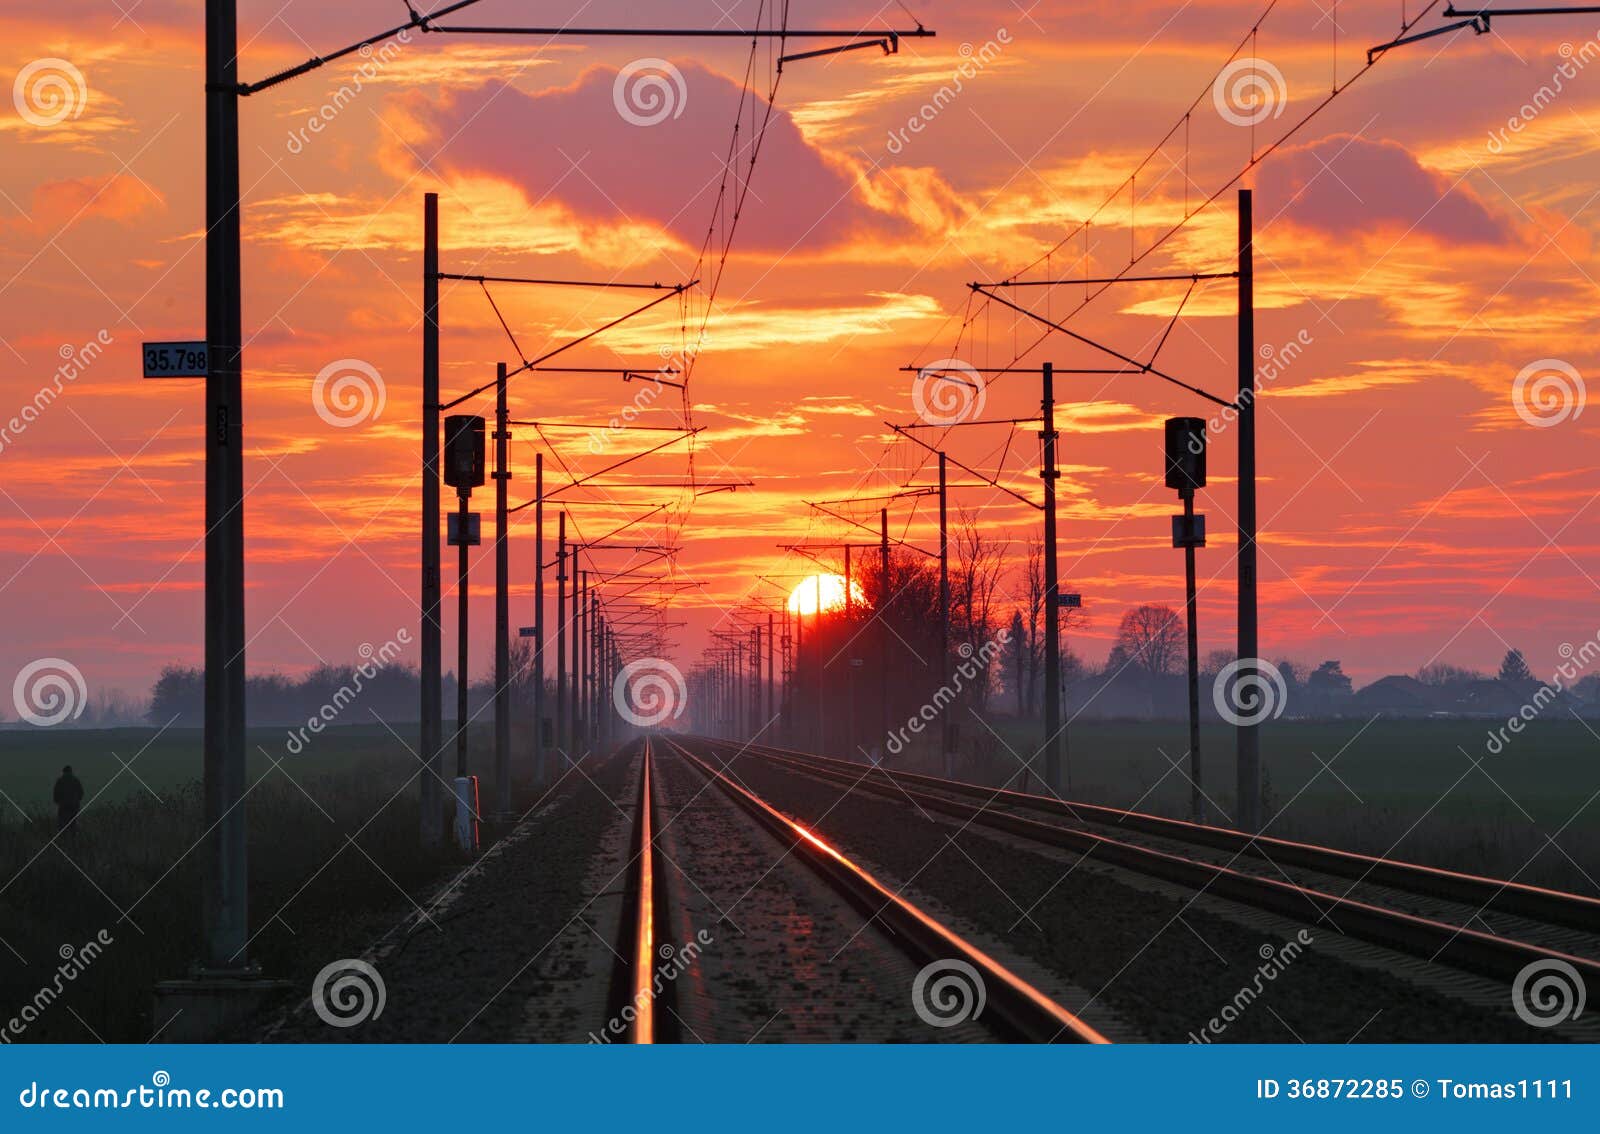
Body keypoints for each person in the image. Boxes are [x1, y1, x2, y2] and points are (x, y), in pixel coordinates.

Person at [53, 765, 83, 834]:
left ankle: (63, 837)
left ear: (63, 772)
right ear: (71, 771)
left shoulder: (60, 781)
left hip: (63, 806)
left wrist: (58, 802)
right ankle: (73, 836)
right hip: (74, 806)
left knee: (62, 823)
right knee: (73, 823)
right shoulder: (75, 780)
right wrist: (77, 800)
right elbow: (81, 793)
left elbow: (56, 793)